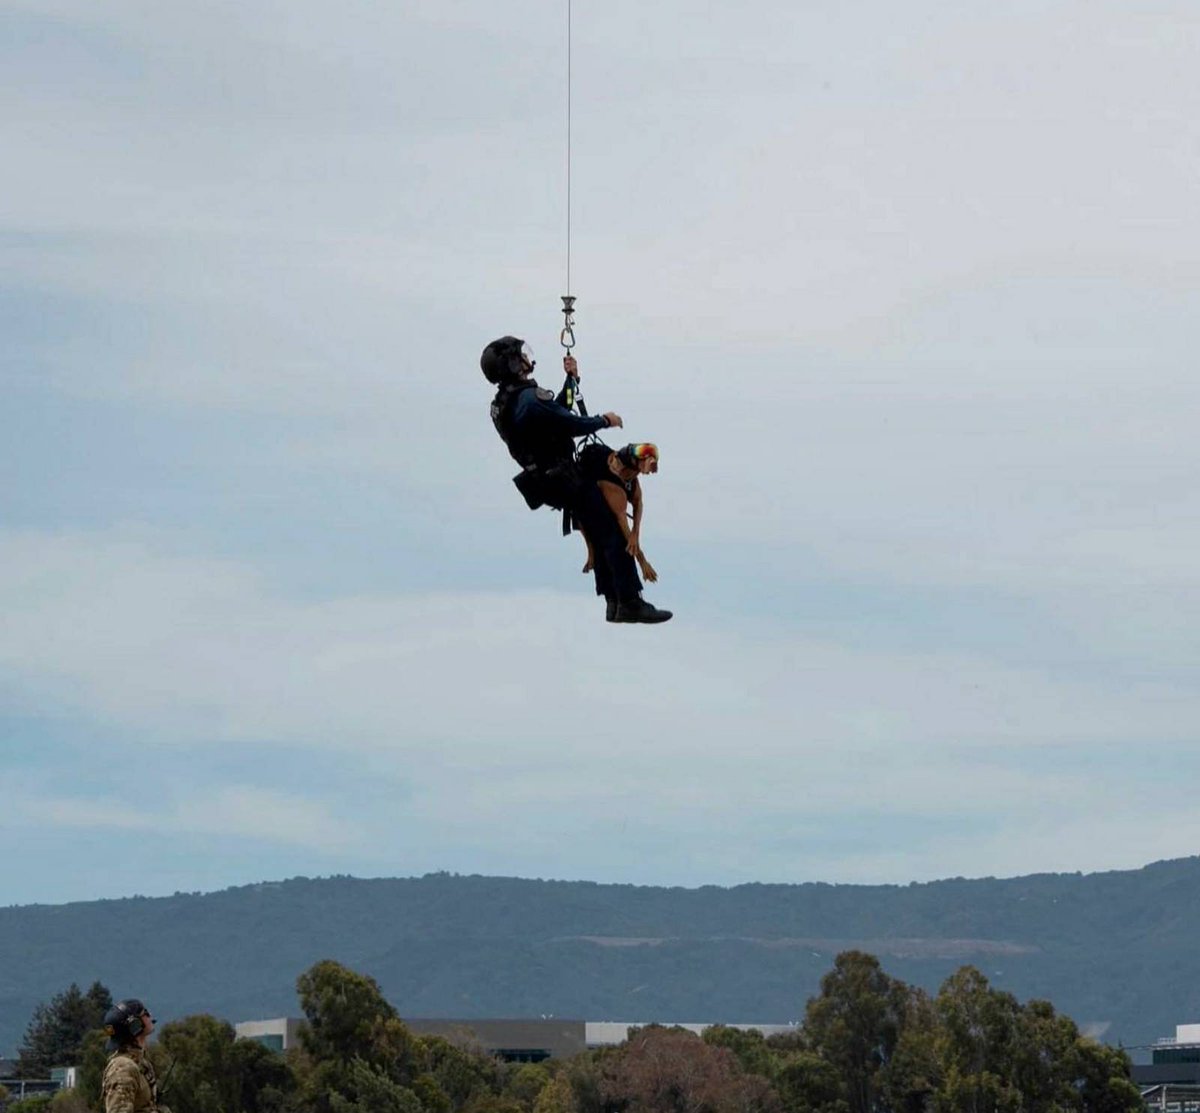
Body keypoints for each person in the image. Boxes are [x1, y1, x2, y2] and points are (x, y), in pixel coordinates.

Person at [481, 335, 672, 623]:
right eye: (521, 356)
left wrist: (572, 381)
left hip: (549, 482)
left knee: (598, 532)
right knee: (613, 532)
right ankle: (630, 602)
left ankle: (613, 602)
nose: (526, 360)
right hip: (564, 478)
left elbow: (557, 410)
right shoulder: (530, 400)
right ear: (512, 364)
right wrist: (603, 420)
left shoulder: (508, 402)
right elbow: (569, 422)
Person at [577, 442, 661, 588]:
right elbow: (623, 524)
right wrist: (643, 562)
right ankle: (591, 550)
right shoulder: (613, 484)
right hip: (597, 483)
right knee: (584, 517)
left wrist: (636, 532)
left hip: (622, 472)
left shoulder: (632, 479)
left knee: (622, 538)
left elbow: (638, 503)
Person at [101, 999, 170, 1113]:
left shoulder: (139, 1063)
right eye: (145, 1013)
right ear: (135, 1025)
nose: (150, 1015)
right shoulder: (123, 1069)